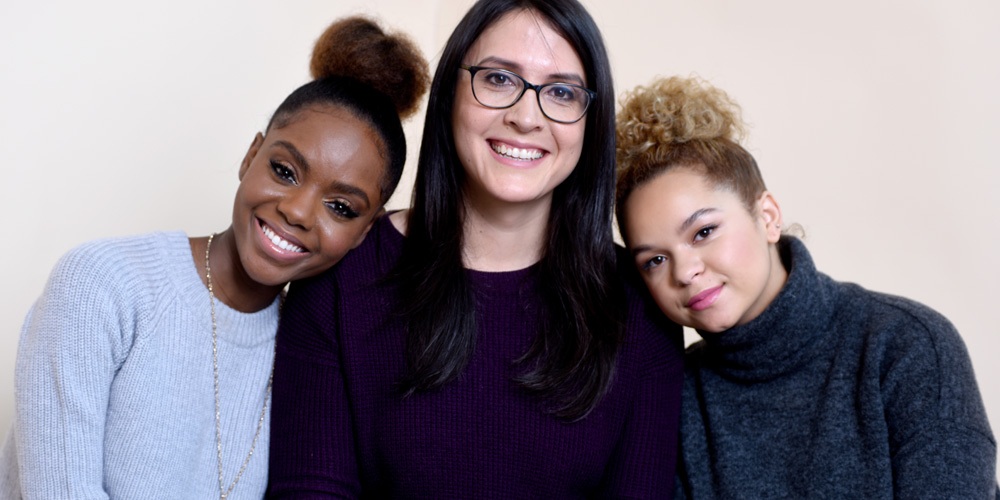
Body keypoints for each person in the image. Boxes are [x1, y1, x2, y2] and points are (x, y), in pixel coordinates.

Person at [265, 0, 685, 498]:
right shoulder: (342, 273)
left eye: (561, 91)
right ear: (450, 95)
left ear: (589, 121)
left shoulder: (639, 303)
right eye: (499, 79)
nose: (526, 117)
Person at [0, 17, 429, 499]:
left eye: (340, 207)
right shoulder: (102, 285)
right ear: (250, 157)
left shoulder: (312, 355)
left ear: (363, 233)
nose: (297, 210)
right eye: (285, 170)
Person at [615, 75, 999, 499]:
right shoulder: (673, 394)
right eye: (655, 260)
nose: (683, 272)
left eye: (704, 232)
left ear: (767, 216)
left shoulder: (906, 346)